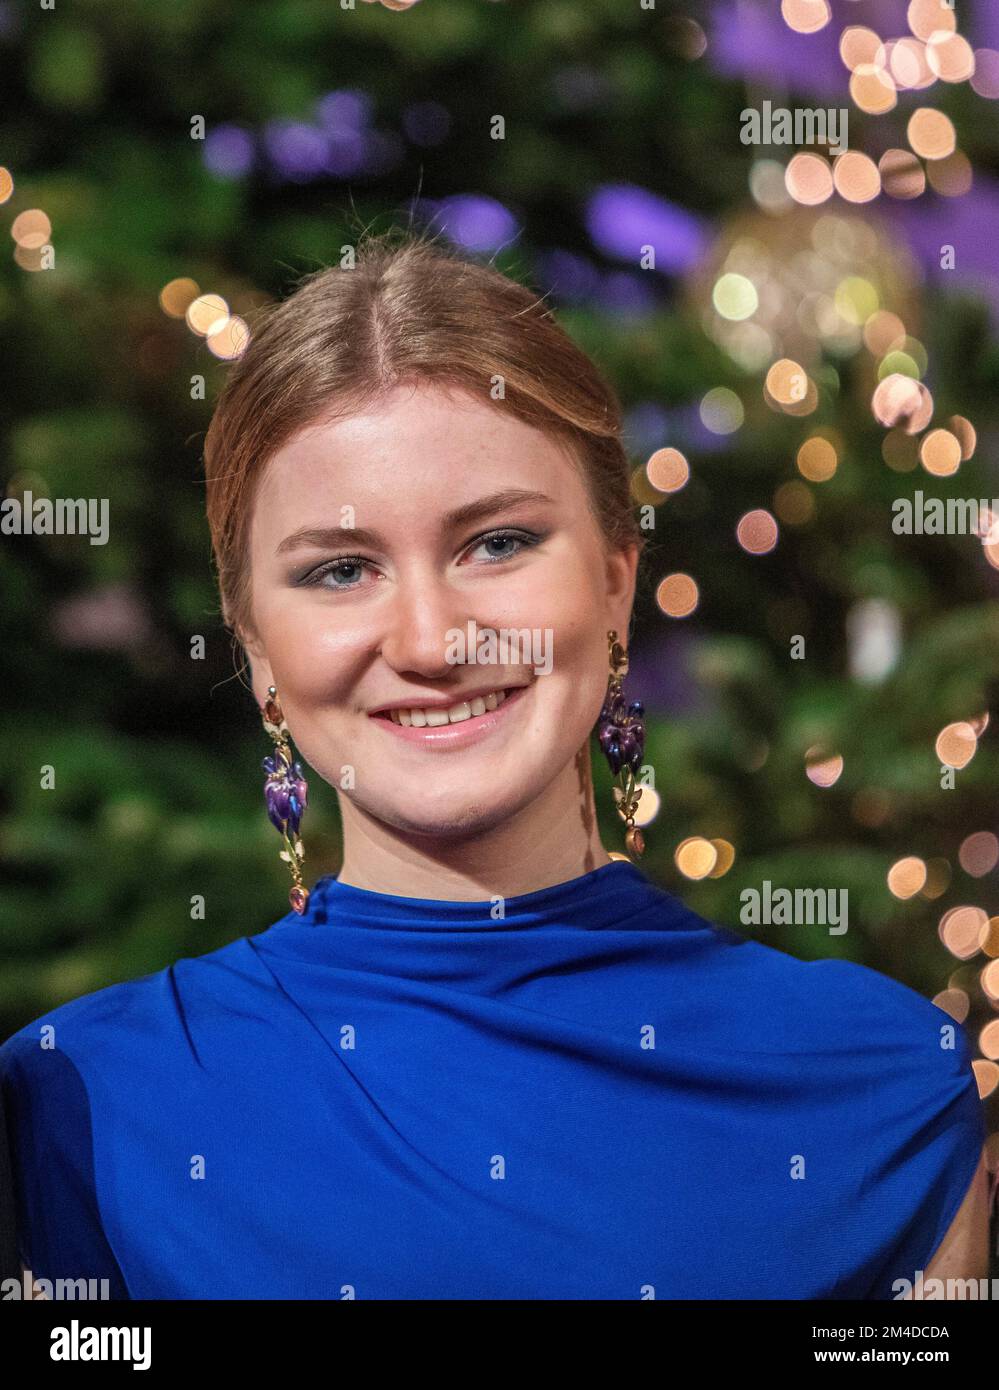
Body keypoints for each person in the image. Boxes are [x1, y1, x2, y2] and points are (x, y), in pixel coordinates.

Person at [0, 229, 988, 1299]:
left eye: (499, 544)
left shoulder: (877, 1084)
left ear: (616, 583)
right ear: (256, 649)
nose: (430, 640)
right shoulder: (81, 1103)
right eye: (340, 569)